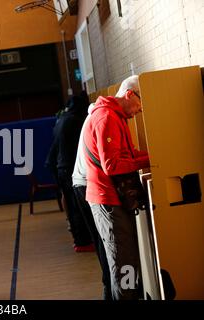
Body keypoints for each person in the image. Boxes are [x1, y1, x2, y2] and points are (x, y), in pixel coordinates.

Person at [82, 75, 150, 300]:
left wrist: (154, 154)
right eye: (141, 103)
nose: (141, 110)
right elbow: (111, 165)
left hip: (111, 198)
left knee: (127, 259)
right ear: (130, 94)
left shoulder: (116, 116)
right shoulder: (107, 117)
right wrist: (149, 161)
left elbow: (126, 155)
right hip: (107, 200)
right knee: (124, 263)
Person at [72, 102, 112, 300]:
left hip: (80, 181)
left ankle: (109, 287)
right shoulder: (102, 119)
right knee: (103, 239)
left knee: (101, 239)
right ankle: (109, 288)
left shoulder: (93, 117)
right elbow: (110, 163)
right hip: (86, 183)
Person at [45, 93, 94, 252]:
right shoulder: (75, 120)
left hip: (61, 167)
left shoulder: (62, 119)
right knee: (78, 206)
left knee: (72, 206)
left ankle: (79, 240)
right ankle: (83, 241)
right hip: (70, 167)